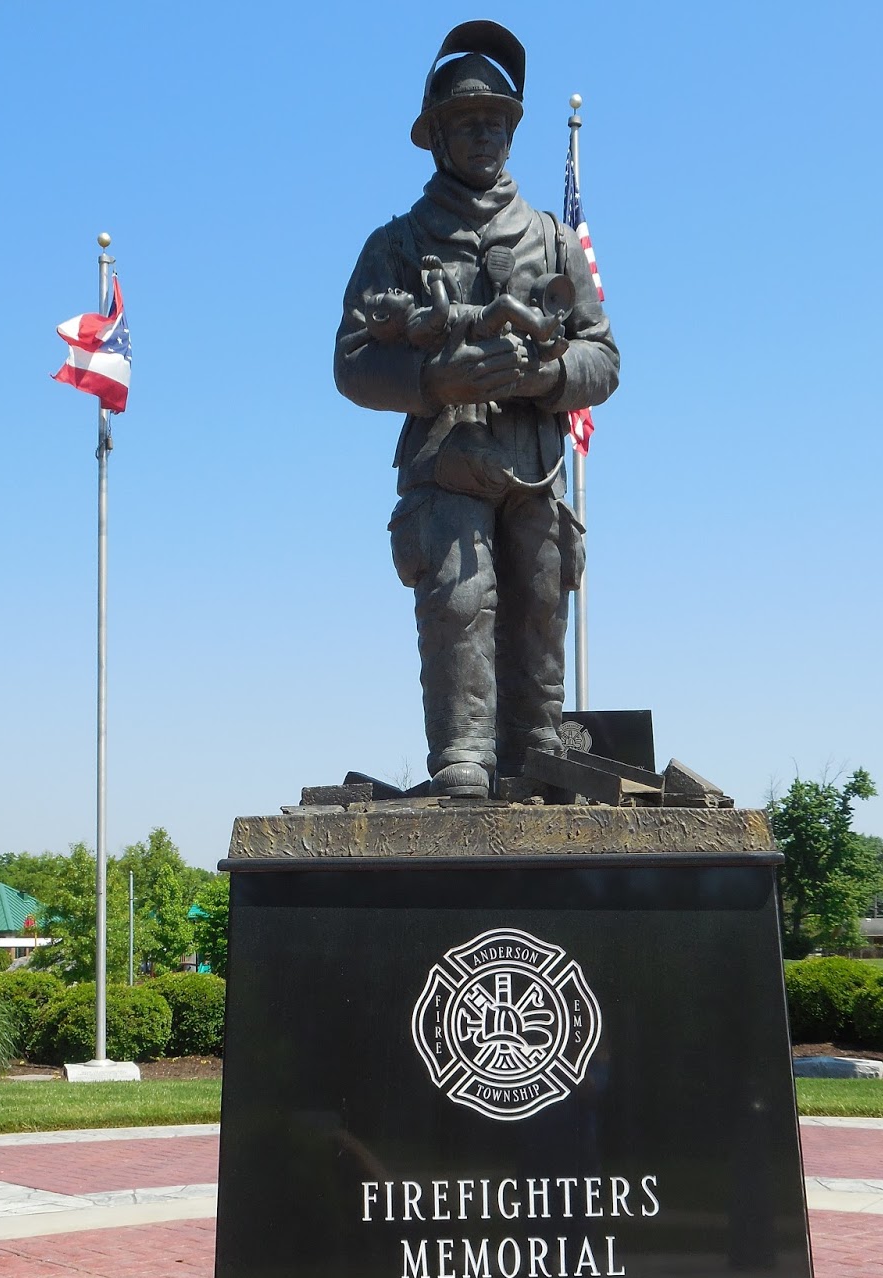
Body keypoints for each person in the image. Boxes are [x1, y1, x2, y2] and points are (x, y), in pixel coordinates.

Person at [335, 21, 619, 797]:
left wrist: (542, 379)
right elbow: (353, 363)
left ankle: (535, 748)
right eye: (467, 123)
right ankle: (463, 757)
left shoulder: (553, 242)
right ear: (436, 137)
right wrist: (437, 382)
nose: (485, 134)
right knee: (461, 601)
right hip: (446, 466)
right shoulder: (395, 245)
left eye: (496, 121)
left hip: (534, 467)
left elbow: (605, 359)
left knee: (539, 596)